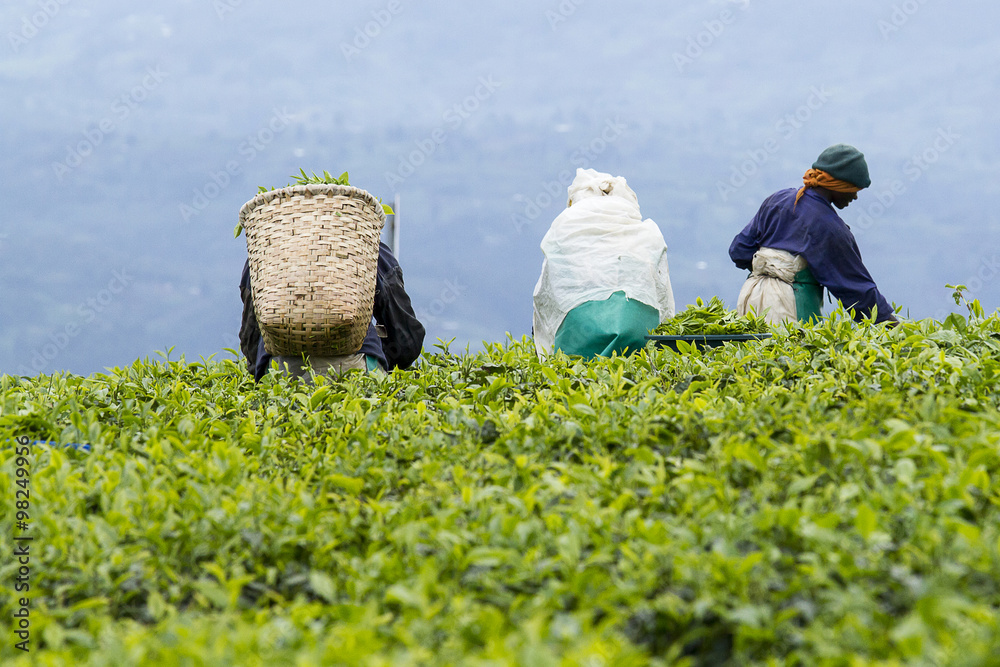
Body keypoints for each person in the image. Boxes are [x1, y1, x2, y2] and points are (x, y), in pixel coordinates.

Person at [728, 144, 898, 326]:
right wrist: (894, 328)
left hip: (750, 302)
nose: (855, 197)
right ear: (839, 185)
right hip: (791, 308)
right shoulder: (829, 228)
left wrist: (770, 270)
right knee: (791, 353)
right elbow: (857, 292)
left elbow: (739, 251)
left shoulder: (778, 200)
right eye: (854, 189)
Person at [239, 240, 425, 381]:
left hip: (279, 371)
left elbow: (251, 341)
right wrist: (384, 357)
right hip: (356, 366)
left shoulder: (264, 249)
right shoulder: (366, 244)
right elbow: (405, 340)